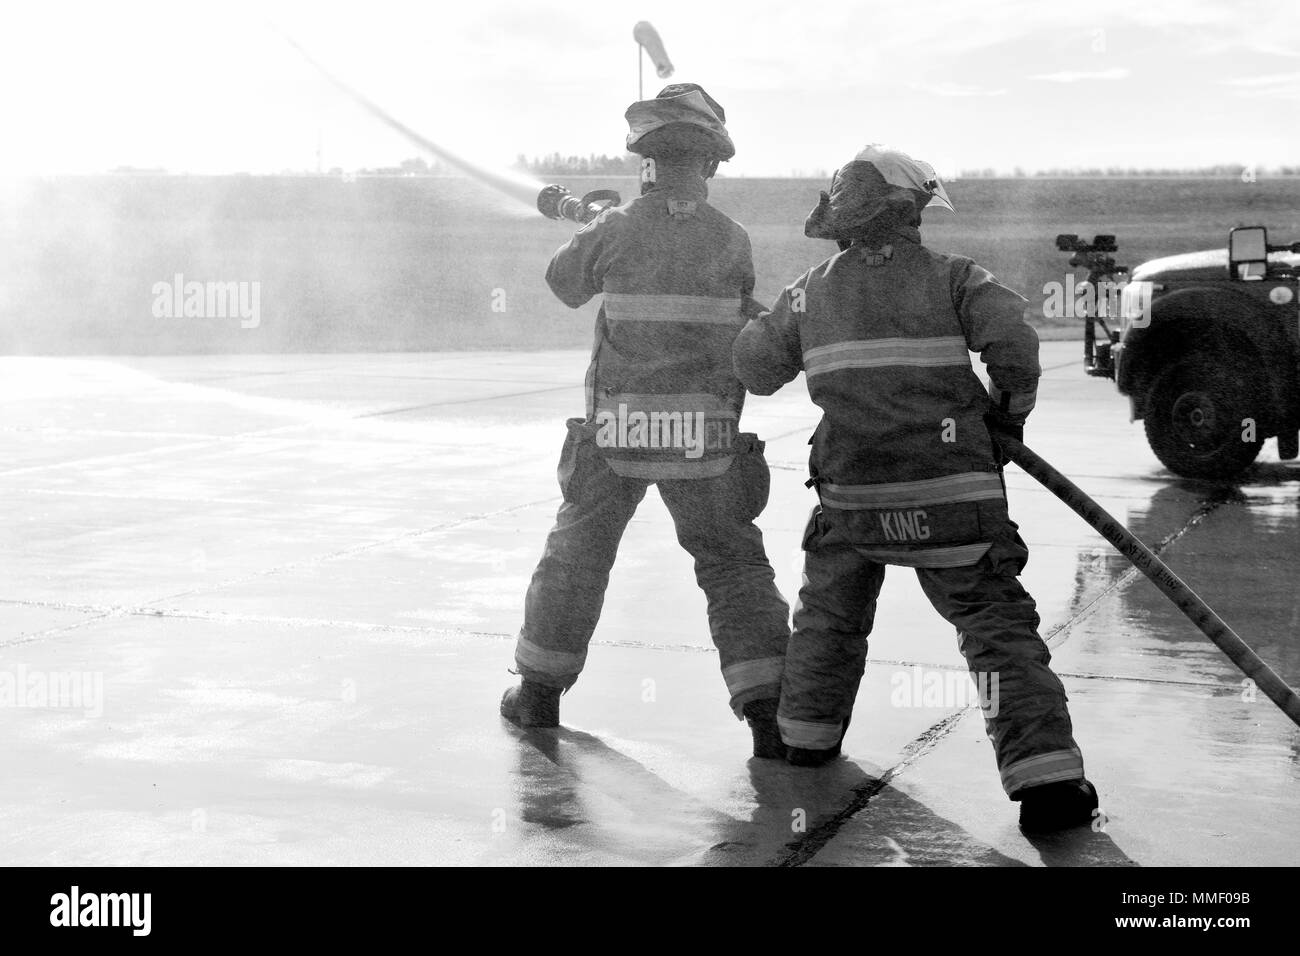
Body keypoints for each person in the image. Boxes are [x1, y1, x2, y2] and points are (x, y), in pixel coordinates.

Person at [732, 145, 1100, 831]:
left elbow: (755, 369)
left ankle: (805, 739)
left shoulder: (808, 290)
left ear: (840, 219)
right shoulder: (956, 278)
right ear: (913, 213)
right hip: (951, 499)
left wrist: (759, 321)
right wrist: (1004, 419)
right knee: (995, 631)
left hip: (852, 502)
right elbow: (1016, 350)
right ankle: (1047, 782)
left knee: (829, 619)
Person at [500, 84, 791, 758]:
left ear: (644, 158)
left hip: (622, 432)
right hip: (704, 436)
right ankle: (769, 718)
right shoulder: (732, 238)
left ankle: (539, 694)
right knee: (732, 566)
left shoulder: (615, 228)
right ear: (712, 165)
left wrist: (596, 224)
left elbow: (563, 282)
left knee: (578, 555)